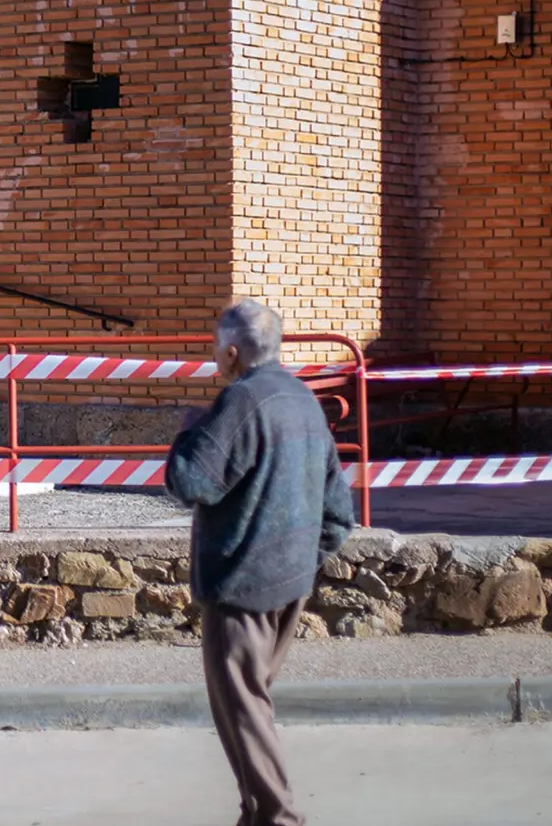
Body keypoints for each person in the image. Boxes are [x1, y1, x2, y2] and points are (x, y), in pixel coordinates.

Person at [166, 299, 356, 826]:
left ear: (231, 352)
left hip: (242, 586)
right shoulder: (301, 398)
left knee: (245, 713)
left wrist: (189, 431)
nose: (214, 359)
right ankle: (258, 815)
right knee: (253, 703)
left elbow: (190, 481)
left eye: (215, 349)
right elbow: (339, 510)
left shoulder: (239, 402)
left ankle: (278, 818)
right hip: (290, 581)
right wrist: (302, 560)